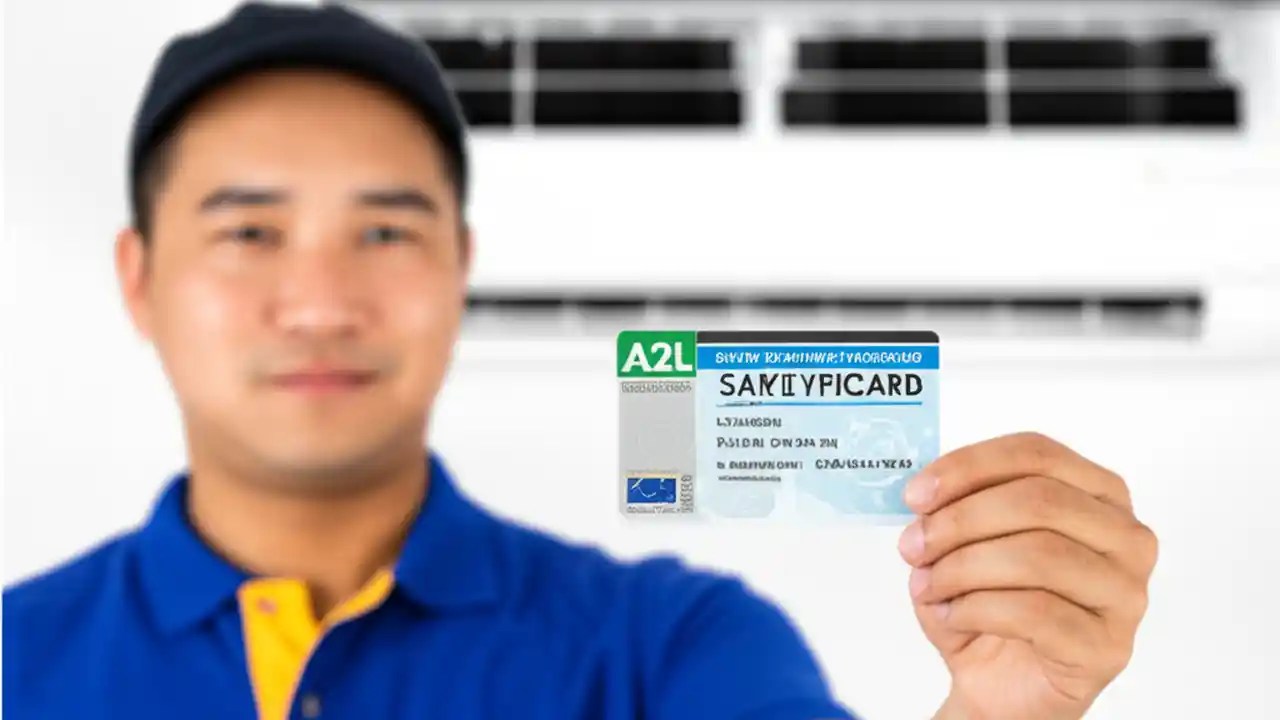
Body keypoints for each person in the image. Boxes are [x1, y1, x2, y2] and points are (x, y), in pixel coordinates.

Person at [1, 4, 1158, 720]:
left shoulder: (675, 645)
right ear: (139, 278)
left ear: (458, 269)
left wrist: (1002, 712)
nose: (318, 304)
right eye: (250, 232)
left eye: (385, 232)